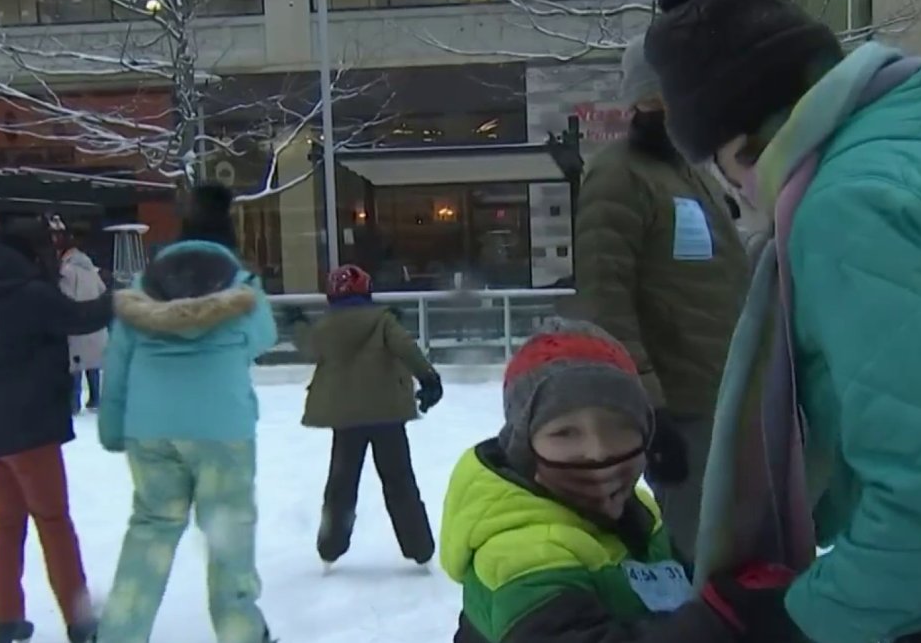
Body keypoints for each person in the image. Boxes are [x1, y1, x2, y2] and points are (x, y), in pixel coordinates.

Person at [646, 0, 921, 642]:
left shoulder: (849, 204)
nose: (737, 196)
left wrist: (808, 615)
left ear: (738, 145)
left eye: (722, 173)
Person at [439, 318, 798, 643]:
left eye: (619, 427)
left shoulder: (636, 511)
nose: (597, 453)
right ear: (524, 448)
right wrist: (720, 618)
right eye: (565, 433)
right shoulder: (519, 550)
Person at [572, 33, 750, 565]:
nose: (661, 108)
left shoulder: (692, 172)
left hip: (726, 392)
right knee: (702, 552)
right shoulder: (618, 174)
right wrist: (650, 406)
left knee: (739, 546)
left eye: (671, 95)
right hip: (681, 403)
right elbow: (606, 300)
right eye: (650, 98)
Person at [97, 183, 278, 643]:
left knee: (151, 531)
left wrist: (113, 427)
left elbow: (117, 361)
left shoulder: (144, 288)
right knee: (228, 537)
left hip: (150, 431)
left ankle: (120, 633)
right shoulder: (242, 285)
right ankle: (241, 634)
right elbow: (264, 339)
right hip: (222, 431)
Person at [0, 216, 112, 643]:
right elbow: (85, 317)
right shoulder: (32, 293)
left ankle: (7, 621)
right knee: (53, 520)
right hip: (26, 430)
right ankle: (81, 621)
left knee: (6, 521)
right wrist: (121, 295)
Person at [284, 264, 442, 569]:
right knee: (399, 481)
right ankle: (419, 547)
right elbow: (406, 348)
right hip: (387, 414)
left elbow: (309, 347)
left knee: (342, 483)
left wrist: (298, 323)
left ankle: (330, 546)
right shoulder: (383, 321)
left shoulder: (325, 328)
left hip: (346, 418)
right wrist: (429, 380)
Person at [57, 224, 108, 413]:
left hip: (77, 321)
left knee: (75, 364)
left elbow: (65, 295)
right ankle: (95, 399)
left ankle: (74, 402)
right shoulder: (90, 270)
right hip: (95, 323)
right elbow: (102, 290)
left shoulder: (68, 270)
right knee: (92, 364)